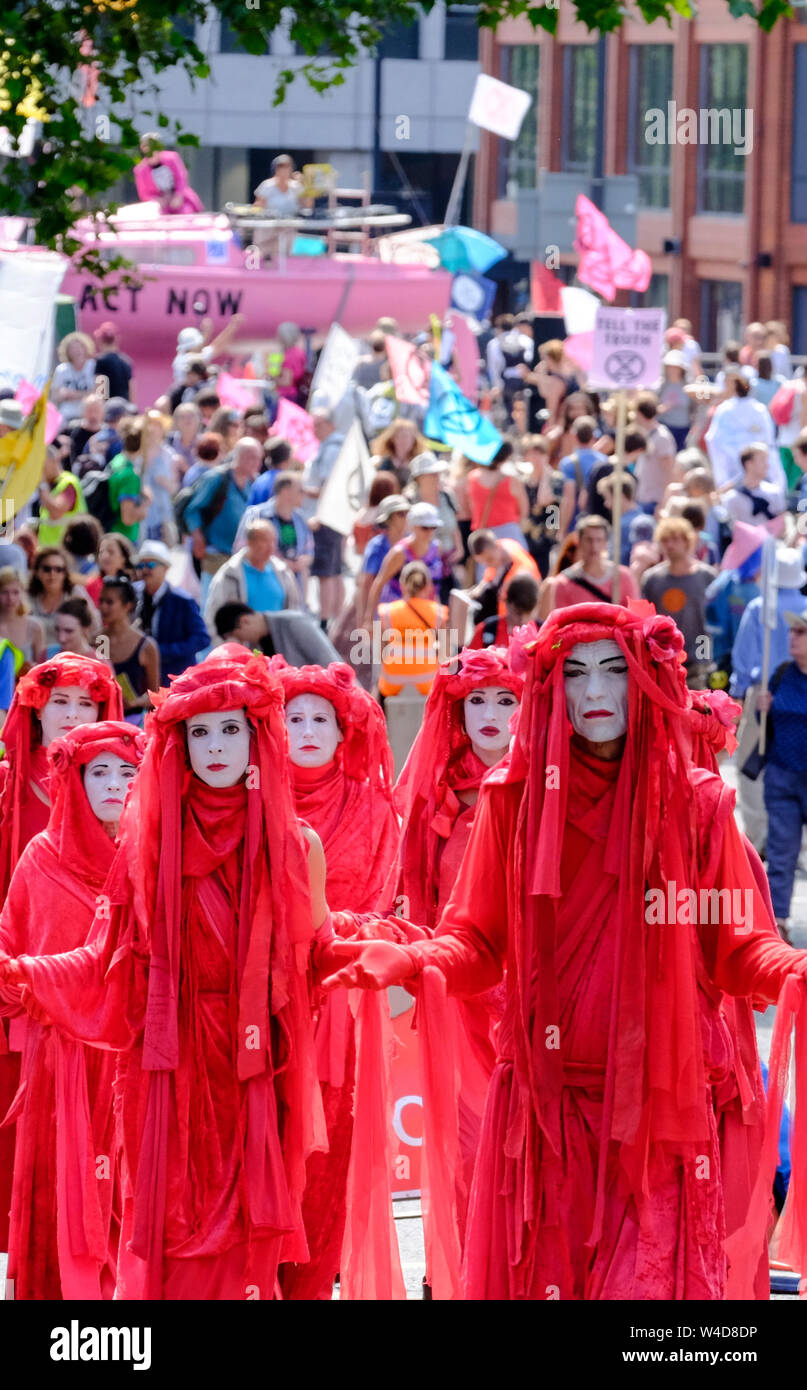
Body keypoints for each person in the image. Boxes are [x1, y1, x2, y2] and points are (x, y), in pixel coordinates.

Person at [323, 602, 807, 1301]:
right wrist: (415, 958)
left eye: (614, 672)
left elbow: (734, 946)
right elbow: (479, 941)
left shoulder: (697, 805)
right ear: (551, 690)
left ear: (646, 682)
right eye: (574, 675)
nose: (594, 694)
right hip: (546, 1110)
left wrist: (792, 969)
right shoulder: (512, 800)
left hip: (659, 1115)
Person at [0, 648, 374, 1300]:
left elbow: (320, 952)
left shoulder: (295, 845)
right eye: (200, 731)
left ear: (258, 735)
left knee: (248, 1262)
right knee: (172, 1254)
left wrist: (408, 951)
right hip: (167, 1077)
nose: (217, 745)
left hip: (258, 1074)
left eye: (231, 728)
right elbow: (102, 959)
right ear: (178, 741)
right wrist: (18, 972)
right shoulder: (145, 847)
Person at [0, 721, 143, 1299]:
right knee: (60, 1190)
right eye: (97, 772)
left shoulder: (154, 851)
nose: (113, 785)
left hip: (136, 1057)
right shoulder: (43, 854)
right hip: (61, 1061)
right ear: (73, 780)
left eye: (127, 772)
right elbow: (10, 942)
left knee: (134, 1196)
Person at [273, 660, 399, 1301]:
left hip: (341, 1009)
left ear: (345, 728)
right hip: (263, 1006)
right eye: (293, 717)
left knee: (328, 1158)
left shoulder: (375, 808)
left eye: (321, 717)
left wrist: (327, 934)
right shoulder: (249, 795)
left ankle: (311, 1285)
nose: (307, 728)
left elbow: (382, 907)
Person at [757, 609, 807, 940]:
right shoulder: (781, 673)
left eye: (801, 632)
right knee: (780, 852)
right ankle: (778, 923)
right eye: (792, 631)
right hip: (781, 775)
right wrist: (763, 706)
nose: (792, 637)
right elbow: (767, 726)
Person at [640, 517, 717, 688]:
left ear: (686, 541)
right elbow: (645, 620)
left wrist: (707, 657)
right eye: (665, 540)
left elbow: (715, 619)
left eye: (675, 539)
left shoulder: (707, 576)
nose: (670, 545)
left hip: (699, 655)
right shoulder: (652, 579)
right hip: (664, 658)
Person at [185, 436, 263, 590]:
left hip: (239, 557)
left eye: (258, 458)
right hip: (214, 553)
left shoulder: (252, 483)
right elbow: (192, 510)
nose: (256, 462)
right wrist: (198, 538)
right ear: (238, 456)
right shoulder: (216, 478)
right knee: (211, 601)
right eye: (251, 457)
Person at [203, 518, 299, 639]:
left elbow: (295, 610)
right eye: (264, 540)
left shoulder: (283, 572)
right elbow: (213, 615)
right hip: (244, 649)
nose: (271, 547)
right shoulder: (230, 573)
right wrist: (229, 650)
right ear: (250, 542)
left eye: (273, 540)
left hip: (278, 646)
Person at [134, 540, 209, 682]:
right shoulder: (132, 594)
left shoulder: (183, 600)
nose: (144, 570)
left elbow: (201, 639)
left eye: (150, 565)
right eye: (141, 565)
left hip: (174, 679)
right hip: (141, 679)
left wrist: (159, 651)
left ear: (166, 568)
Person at [236, 472, 314, 605]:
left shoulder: (300, 518)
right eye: (300, 490)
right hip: (261, 587)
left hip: (293, 588)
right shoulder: (256, 515)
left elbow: (309, 550)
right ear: (285, 492)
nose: (305, 494)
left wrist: (304, 561)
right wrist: (278, 563)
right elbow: (240, 550)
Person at [377, 561, 449, 700]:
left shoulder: (388, 611)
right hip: (427, 683)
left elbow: (381, 652)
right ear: (428, 586)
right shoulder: (438, 612)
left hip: (392, 683)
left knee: (379, 689)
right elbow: (444, 655)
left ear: (402, 585)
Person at [302, 411, 346, 629]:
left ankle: (325, 620)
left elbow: (328, 487)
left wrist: (303, 491)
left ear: (330, 424)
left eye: (318, 424)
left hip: (324, 517)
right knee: (334, 569)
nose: (315, 429)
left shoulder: (331, 450)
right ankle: (335, 618)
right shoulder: (332, 447)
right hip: (332, 516)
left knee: (325, 571)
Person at [365, 501, 445, 620]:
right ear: (413, 526)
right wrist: (369, 619)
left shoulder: (436, 548)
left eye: (433, 527)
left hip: (424, 614)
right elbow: (379, 583)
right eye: (424, 527)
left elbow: (434, 587)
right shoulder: (399, 552)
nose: (429, 532)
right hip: (396, 616)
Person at [99, 575, 160, 725]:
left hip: (134, 722)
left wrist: (135, 702)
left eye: (110, 602)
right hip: (103, 722)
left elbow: (155, 695)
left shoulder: (145, 645)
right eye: (101, 601)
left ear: (127, 606)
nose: (103, 607)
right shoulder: (100, 641)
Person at [704, 373, 779, 490]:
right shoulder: (757, 409)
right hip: (736, 467)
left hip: (748, 464)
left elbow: (712, 438)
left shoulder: (726, 409)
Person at [548, 515, 638, 611]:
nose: (594, 546)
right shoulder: (563, 583)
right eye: (588, 540)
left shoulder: (624, 577)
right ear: (579, 542)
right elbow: (562, 620)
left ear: (605, 543)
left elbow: (634, 616)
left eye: (599, 540)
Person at [212, 602, 340, 667]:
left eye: (240, 637)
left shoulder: (294, 622)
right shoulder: (254, 647)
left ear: (244, 621)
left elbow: (330, 661)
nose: (243, 642)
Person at [28, 546, 99, 650]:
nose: (52, 574)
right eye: (47, 569)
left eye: (58, 569)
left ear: (65, 574)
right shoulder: (27, 597)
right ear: (38, 572)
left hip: (69, 657)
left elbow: (95, 626)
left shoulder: (76, 593)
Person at [357, 494, 410, 628]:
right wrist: (366, 618)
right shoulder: (377, 546)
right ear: (389, 518)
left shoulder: (412, 543)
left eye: (407, 513)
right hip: (383, 613)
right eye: (401, 514)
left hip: (409, 612)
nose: (406, 517)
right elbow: (367, 583)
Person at [467, 530, 541, 624]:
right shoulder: (498, 552)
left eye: (489, 560)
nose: (488, 565)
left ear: (497, 547)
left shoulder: (522, 570)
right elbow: (488, 579)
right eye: (483, 563)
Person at [467, 443, 528, 549]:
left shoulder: (472, 478)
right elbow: (524, 509)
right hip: (510, 534)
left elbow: (469, 507)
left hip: (483, 536)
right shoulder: (512, 479)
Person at [558, 416, 609, 538]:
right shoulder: (604, 460)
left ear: (574, 436)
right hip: (600, 520)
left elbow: (568, 500)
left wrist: (561, 530)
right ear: (593, 436)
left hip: (576, 522)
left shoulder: (568, 463)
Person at [133, 133, 203, 213]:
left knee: (186, 213)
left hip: (182, 201)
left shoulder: (172, 158)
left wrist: (178, 195)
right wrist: (158, 200)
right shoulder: (140, 170)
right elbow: (144, 194)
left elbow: (181, 178)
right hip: (160, 207)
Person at [108, 418, 152, 545]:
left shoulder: (118, 460)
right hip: (124, 540)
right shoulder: (130, 475)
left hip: (114, 536)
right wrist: (145, 505)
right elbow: (127, 518)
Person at [633, 393, 677, 515]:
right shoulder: (646, 434)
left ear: (640, 414)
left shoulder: (662, 437)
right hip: (643, 498)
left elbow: (669, 470)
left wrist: (664, 503)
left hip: (655, 501)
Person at [37, 443, 87, 548]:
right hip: (50, 551)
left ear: (52, 461)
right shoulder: (50, 485)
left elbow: (56, 511)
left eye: (41, 464)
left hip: (67, 552)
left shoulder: (68, 482)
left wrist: (42, 483)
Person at [140, 410, 180, 542]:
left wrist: (164, 482)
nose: (152, 429)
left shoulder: (169, 455)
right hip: (141, 515)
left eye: (156, 425)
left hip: (162, 517)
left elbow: (175, 488)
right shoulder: (138, 452)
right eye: (149, 424)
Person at [469, 573, 539, 648]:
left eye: (528, 614)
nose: (522, 620)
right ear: (507, 603)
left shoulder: (542, 633)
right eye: (518, 613)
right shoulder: (487, 630)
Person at [722, 443, 786, 525]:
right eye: (762, 460)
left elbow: (781, 524)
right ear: (749, 464)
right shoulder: (732, 498)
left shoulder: (775, 492)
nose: (767, 465)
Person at [0, 567, 46, 669]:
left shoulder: (34, 627)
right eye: (4, 592)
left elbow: (42, 666)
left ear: (23, 593)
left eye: (15, 592)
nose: (10, 598)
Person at [52, 333, 97, 425]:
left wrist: (72, 394)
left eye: (79, 347)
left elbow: (101, 394)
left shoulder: (95, 366)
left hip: (89, 414)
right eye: (73, 349)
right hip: (67, 415)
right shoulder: (61, 370)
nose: (77, 351)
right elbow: (55, 396)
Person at [371, 419, 425, 489]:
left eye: (407, 437)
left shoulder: (419, 463)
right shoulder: (380, 462)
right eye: (400, 436)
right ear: (393, 439)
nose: (404, 441)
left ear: (414, 440)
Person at [85, 532, 136, 606]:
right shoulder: (92, 585)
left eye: (111, 552)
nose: (105, 556)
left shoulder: (134, 587)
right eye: (101, 552)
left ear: (124, 557)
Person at [92, 322, 134, 402]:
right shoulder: (126, 361)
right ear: (116, 340)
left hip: (108, 407)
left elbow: (100, 391)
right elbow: (131, 388)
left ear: (100, 341)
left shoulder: (100, 361)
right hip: (124, 407)